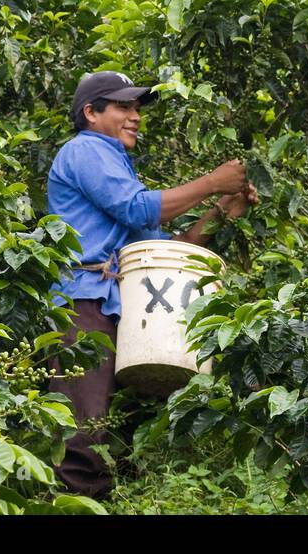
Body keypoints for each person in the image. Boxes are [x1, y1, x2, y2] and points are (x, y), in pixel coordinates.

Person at [45, 70, 259, 498]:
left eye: (137, 108)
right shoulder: (85, 149)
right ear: (91, 112)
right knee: (82, 428)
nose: (136, 116)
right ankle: (71, 505)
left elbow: (168, 253)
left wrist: (223, 210)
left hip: (119, 305)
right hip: (82, 301)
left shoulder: (118, 165)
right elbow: (139, 209)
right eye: (123, 107)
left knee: (113, 429)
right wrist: (211, 182)